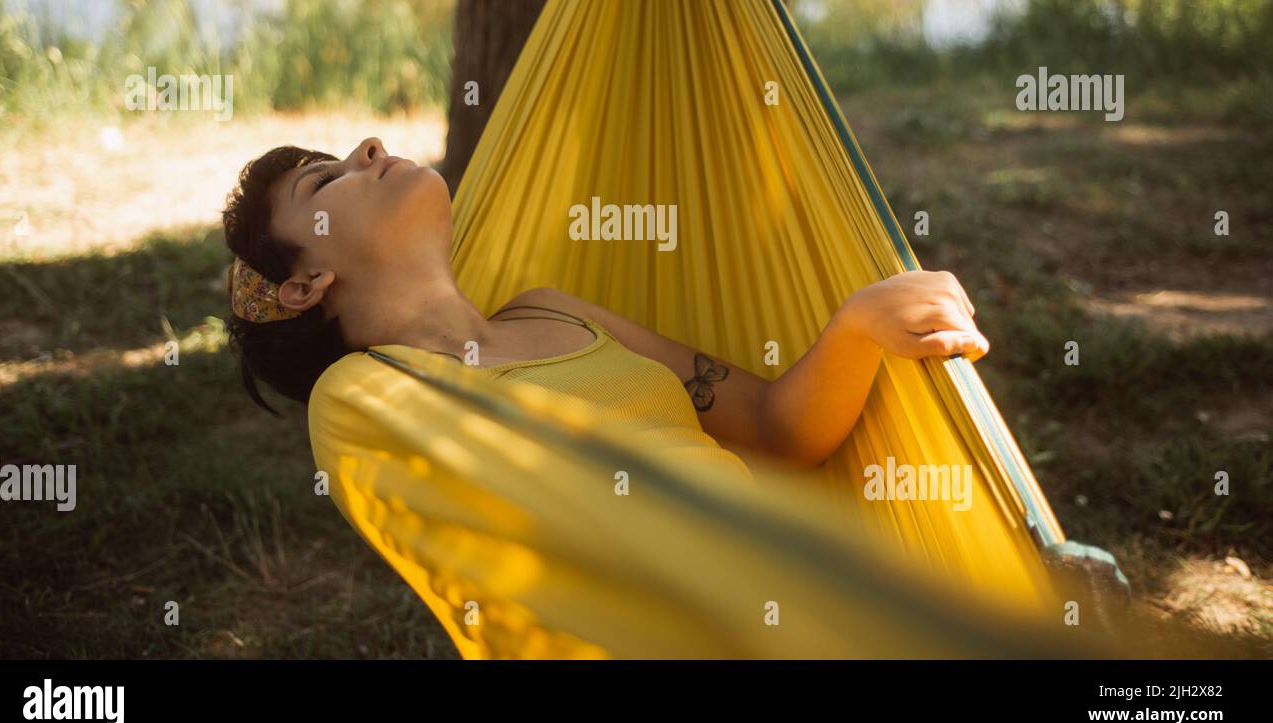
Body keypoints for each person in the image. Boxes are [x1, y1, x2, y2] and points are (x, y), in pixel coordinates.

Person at [222, 136, 990, 470]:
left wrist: (860, 323)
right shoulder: (372, 399)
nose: (369, 148)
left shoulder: (556, 313)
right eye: (323, 184)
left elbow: (774, 425)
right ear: (302, 285)